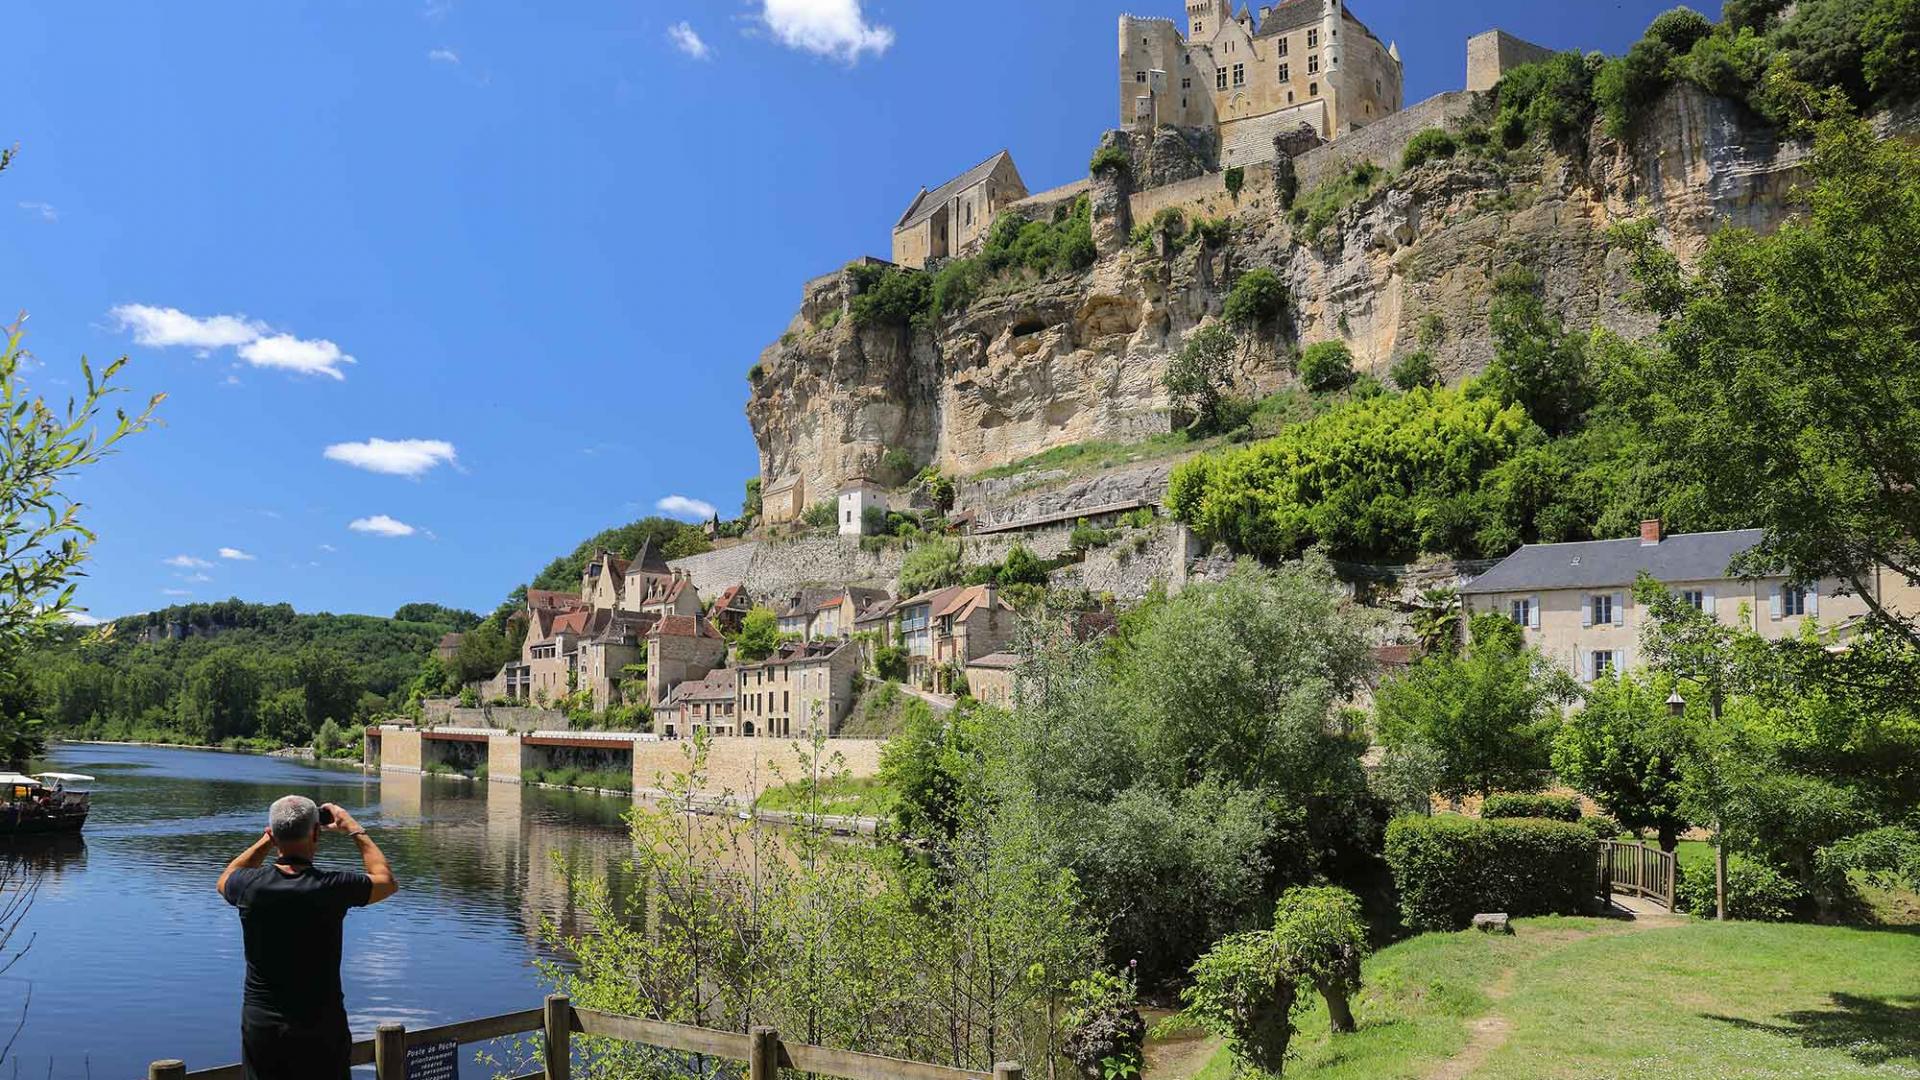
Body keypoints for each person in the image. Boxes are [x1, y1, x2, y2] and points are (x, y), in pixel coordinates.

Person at [217, 797, 399, 1080]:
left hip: (262, 1026)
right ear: (315, 833)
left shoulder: (249, 887)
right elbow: (385, 880)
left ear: (273, 835)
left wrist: (269, 840)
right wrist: (353, 827)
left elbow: (225, 877)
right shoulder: (331, 888)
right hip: (321, 1026)